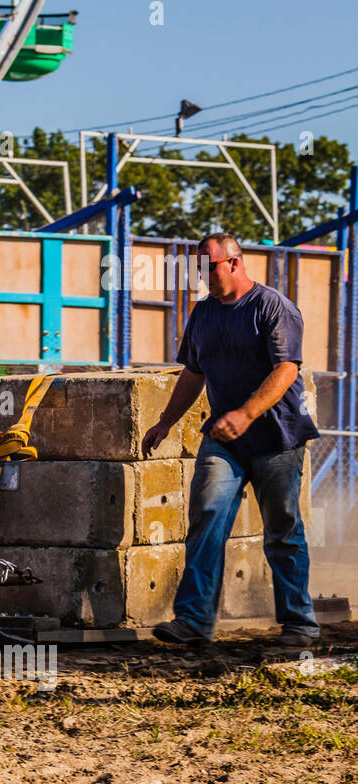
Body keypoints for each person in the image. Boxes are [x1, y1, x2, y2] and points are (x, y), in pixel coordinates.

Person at [142, 232, 320, 648]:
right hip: (224, 440)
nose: (202, 275)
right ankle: (194, 621)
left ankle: (299, 624)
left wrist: (246, 413)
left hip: (278, 437)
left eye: (209, 267)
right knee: (206, 516)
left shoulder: (273, 307)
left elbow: (286, 370)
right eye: (198, 268)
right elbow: (193, 372)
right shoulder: (203, 314)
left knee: (282, 529)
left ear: (235, 263)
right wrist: (166, 421)